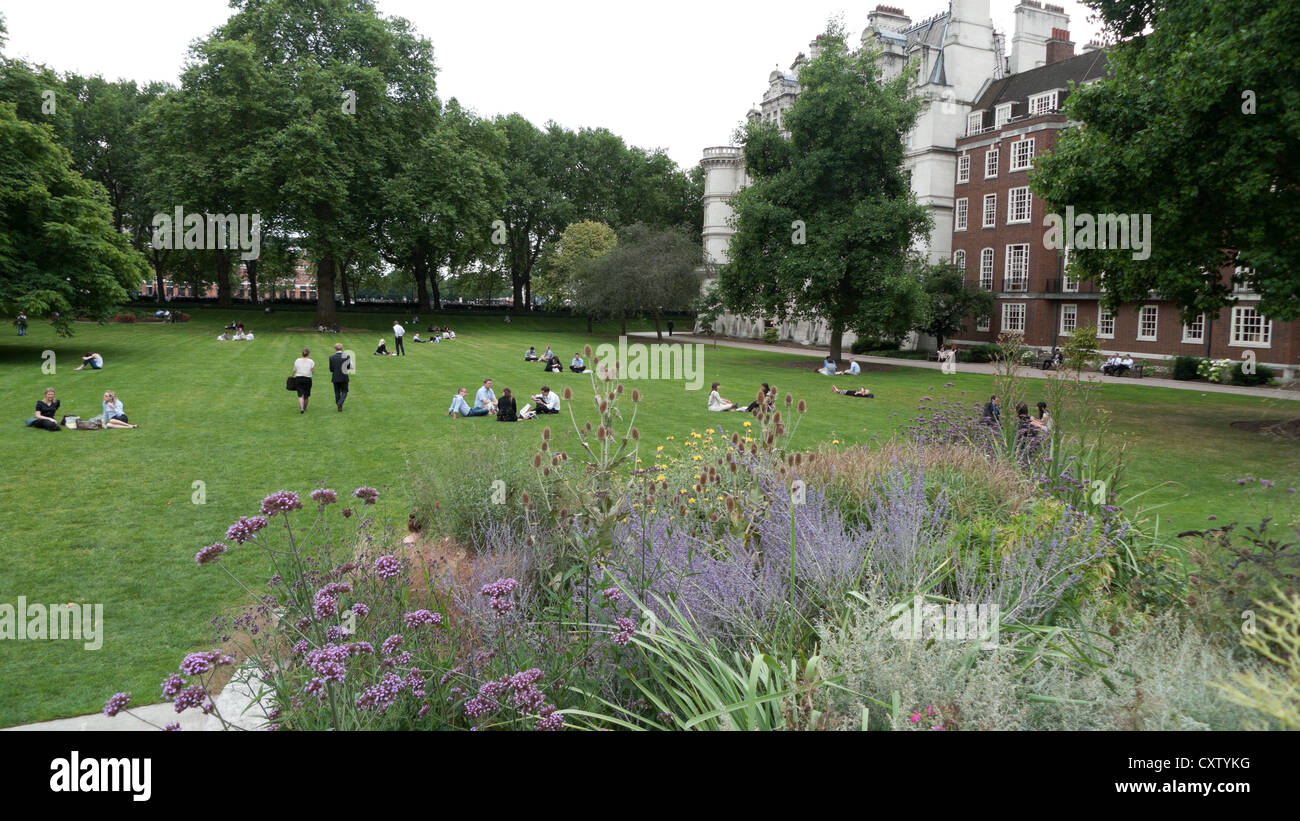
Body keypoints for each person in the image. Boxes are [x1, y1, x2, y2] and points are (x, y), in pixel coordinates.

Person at [291, 348, 315, 413]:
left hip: (298, 378)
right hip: (308, 378)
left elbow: (294, 370)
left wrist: (292, 376)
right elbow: (312, 371)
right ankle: (305, 408)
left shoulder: (297, 360)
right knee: (306, 395)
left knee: (300, 394)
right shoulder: (311, 361)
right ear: (309, 354)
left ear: (302, 353)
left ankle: (301, 408)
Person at [329, 343, 351, 412]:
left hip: (335, 377)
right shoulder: (347, 356)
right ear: (342, 348)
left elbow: (331, 369)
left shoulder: (331, 357)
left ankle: (339, 405)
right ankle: (339, 404)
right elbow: (348, 367)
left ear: (335, 349)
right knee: (345, 391)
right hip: (344, 376)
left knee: (337, 392)